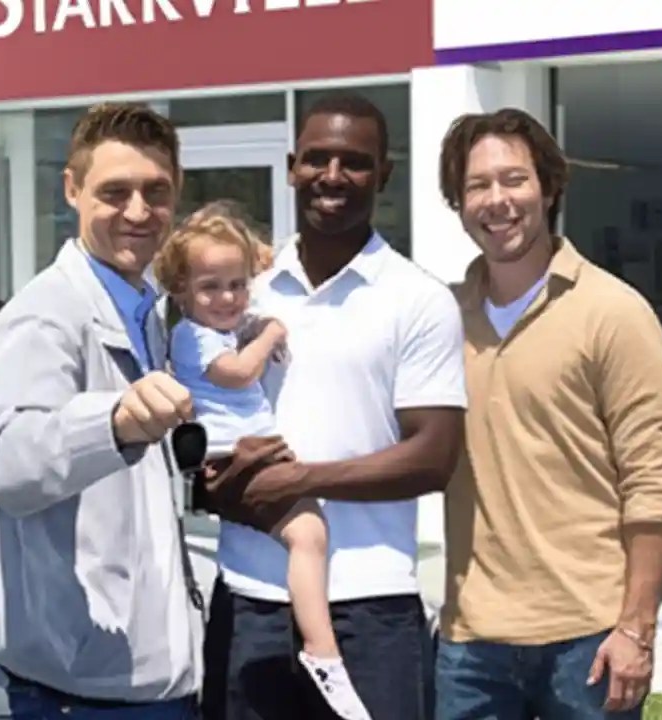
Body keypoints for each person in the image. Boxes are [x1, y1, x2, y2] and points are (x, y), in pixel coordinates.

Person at [196, 91, 468, 720]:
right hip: (249, 598)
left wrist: (300, 481)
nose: (333, 177)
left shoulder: (416, 298)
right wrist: (213, 481)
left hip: (370, 608)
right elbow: (205, 429)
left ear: (385, 174)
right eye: (317, 159)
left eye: (354, 162)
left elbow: (434, 457)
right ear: (292, 166)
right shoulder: (246, 294)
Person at [433, 107, 662, 718]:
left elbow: (653, 480)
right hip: (471, 643)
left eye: (515, 179)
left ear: (548, 187)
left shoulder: (612, 313)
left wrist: (636, 628)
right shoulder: (439, 319)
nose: (498, 200)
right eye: (477, 185)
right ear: (458, 203)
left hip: (589, 639)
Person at [0, 101, 206, 718]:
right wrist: (113, 423)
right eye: (115, 191)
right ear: (72, 189)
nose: (138, 211)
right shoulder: (45, 314)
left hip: (149, 675)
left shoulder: (148, 307)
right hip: (85, 690)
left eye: (156, 191)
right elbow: (9, 463)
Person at [152, 209, 371, 720]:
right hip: (235, 459)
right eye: (210, 287)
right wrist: (271, 335)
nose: (227, 298)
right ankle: (322, 650)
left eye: (236, 285)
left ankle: (319, 646)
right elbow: (236, 373)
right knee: (308, 535)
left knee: (309, 532)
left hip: (250, 453)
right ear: (182, 289)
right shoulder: (192, 334)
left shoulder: (220, 322)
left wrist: (258, 299)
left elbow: (255, 286)